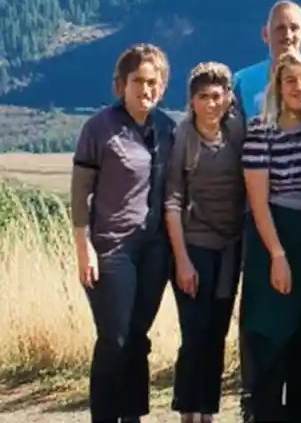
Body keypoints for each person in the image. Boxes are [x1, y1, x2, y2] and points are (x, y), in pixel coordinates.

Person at [232, 0, 301, 423]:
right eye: (290, 80)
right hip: (273, 239)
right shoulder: (258, 119)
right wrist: (276, 253)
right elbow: (257, 198)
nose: (298, 87)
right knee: (268, 341)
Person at [71, 43, 177, 423]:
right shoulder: (99, 128)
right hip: (111, 248)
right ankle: (104, 416)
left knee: (137, 338)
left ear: (162, 87)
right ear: (121, 85)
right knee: (114, 338)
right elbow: (80, 190)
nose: (145, 90)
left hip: (154, 251)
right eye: (138, 82)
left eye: (153, 82)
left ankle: (132, 416)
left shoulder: (167, 128)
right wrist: (83, 246)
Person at [164, 62, 246, 423]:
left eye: (217, 96)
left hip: (230, 248)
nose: (211, 104)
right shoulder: (184, 137)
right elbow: (172, 200)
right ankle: (187, 410)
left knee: (217, 334)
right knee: (195, 333)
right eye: (203, 97)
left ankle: (208, 412)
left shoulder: (237, 132)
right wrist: (181, 258)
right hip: (194, 246)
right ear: (191, 101)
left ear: (228, 98)